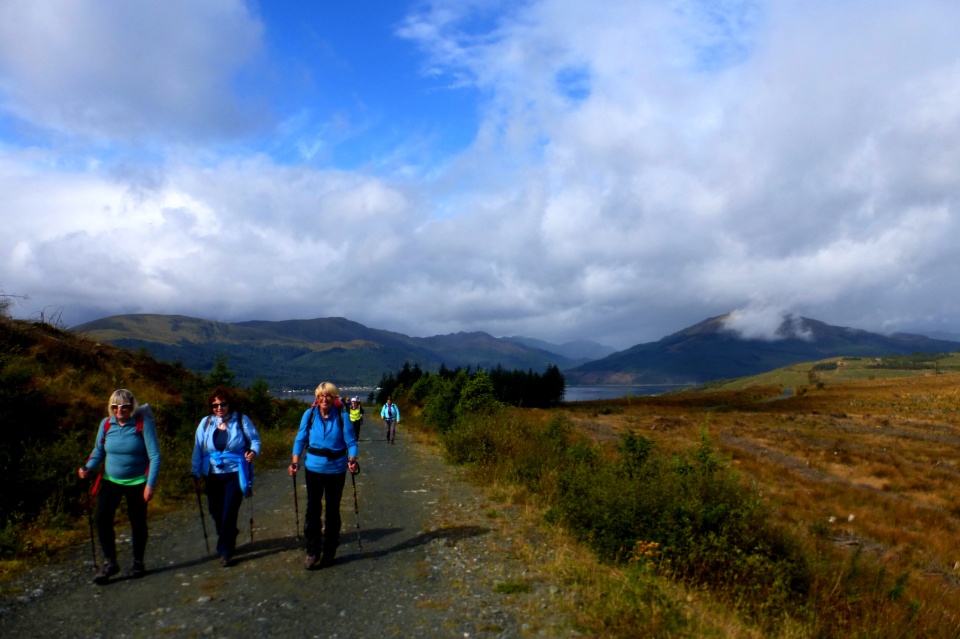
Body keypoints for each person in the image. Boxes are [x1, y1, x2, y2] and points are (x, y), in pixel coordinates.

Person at [78, 389, 161, 585]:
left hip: (138, 482)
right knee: (102, 518)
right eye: (115, 406)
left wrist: (150, 485)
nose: (119, 410)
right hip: (110, 480)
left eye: (124, 406)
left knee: (137, 521)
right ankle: (110, 562)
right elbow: (98, 451)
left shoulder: (142, 424)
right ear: (111, 407)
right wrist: (88, 467)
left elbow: (155, 456)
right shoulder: (106, 424)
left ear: (132, 406)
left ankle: (138, 562)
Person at [289, 382, 359, 570]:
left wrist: (352, 459)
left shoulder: (343, 416)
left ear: (334, 397)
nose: (324, 399)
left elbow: (351, 442)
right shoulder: (309, 414)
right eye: (321, 395)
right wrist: (295, 461)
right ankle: (312, 550)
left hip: (336, 470)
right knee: (312, 509)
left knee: (332, 511)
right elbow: (300, 439)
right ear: (317, 398)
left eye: (328, 395)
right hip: (313, 469)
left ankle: (329, 550)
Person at [190, 386, 261, 567]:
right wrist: (195, 472)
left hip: (235, 473)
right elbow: (198, 448)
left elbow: (255, 440)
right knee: (215, 511)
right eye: (215, 406)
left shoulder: (241, 420)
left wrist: (253, 451)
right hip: (212, 474)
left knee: (229, 511)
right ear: (211, 407)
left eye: (222, 404)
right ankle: (229, 534)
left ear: (229, 404)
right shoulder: (205, 423)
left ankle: (225, 550)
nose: (219, 408)